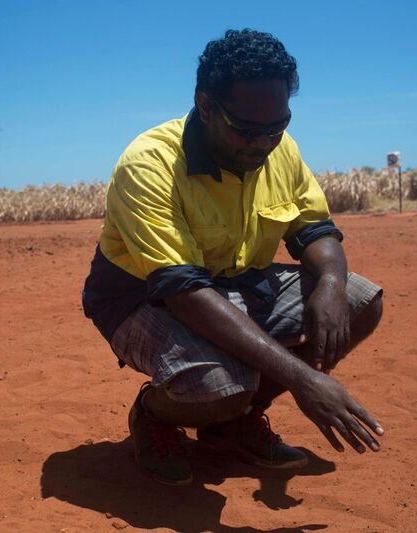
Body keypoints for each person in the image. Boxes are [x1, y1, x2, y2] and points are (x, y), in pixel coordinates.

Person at [82, 29, 385, 486]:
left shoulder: (281, 150)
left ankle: (232, 422)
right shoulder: (149, 164)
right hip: (143, 297)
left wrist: (330, 286)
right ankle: (156, 415)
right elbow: (184, 292)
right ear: (207, 107)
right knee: (220, 385)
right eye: (247, 130)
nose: (264, 143)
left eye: (277, 126)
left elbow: (315, 230)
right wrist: (304, 381)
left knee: (361, 301)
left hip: (238, 283)